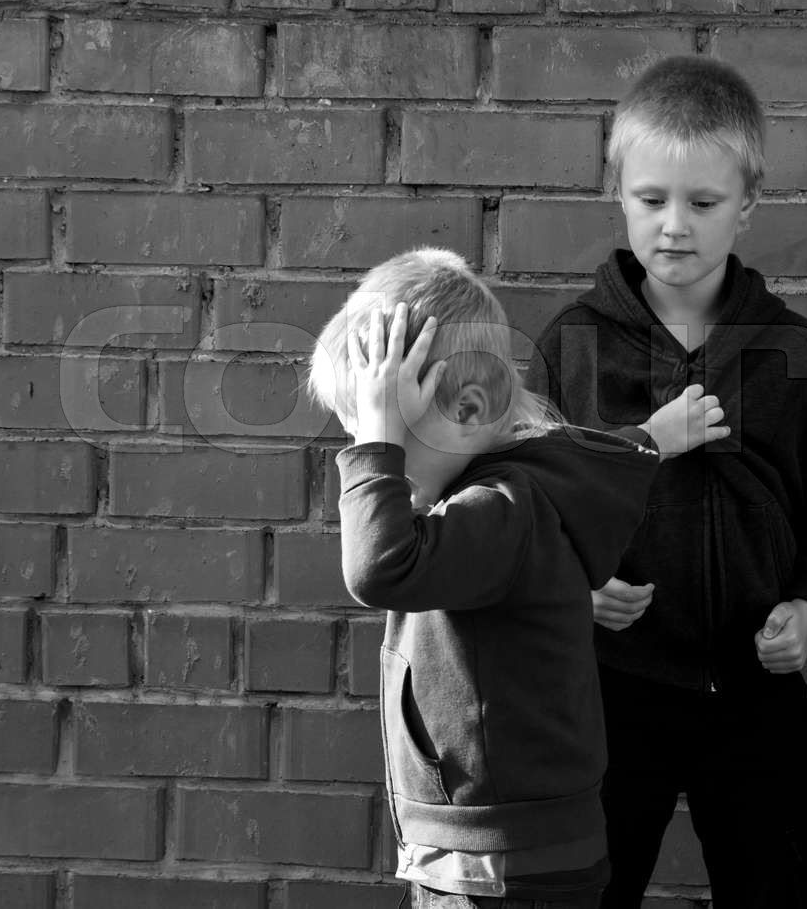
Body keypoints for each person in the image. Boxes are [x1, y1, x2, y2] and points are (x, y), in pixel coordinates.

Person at [527, 57, 807, 907]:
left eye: (703, 203)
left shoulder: (791, 353)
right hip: (609, 690)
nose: (673, 226)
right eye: (651, 199)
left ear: (747, 203)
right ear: (619, 193)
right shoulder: (572, 346)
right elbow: (526, 512)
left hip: (754, 693)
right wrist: (576, 587)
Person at [306, 247, 725, 908]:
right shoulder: (505, 498)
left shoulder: (497, 508)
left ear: (469, 411)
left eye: (380, 428)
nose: (367, 454)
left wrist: (375, 448)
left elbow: (378, 569)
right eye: (358, 429)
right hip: (499, 853)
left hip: (502, 868)